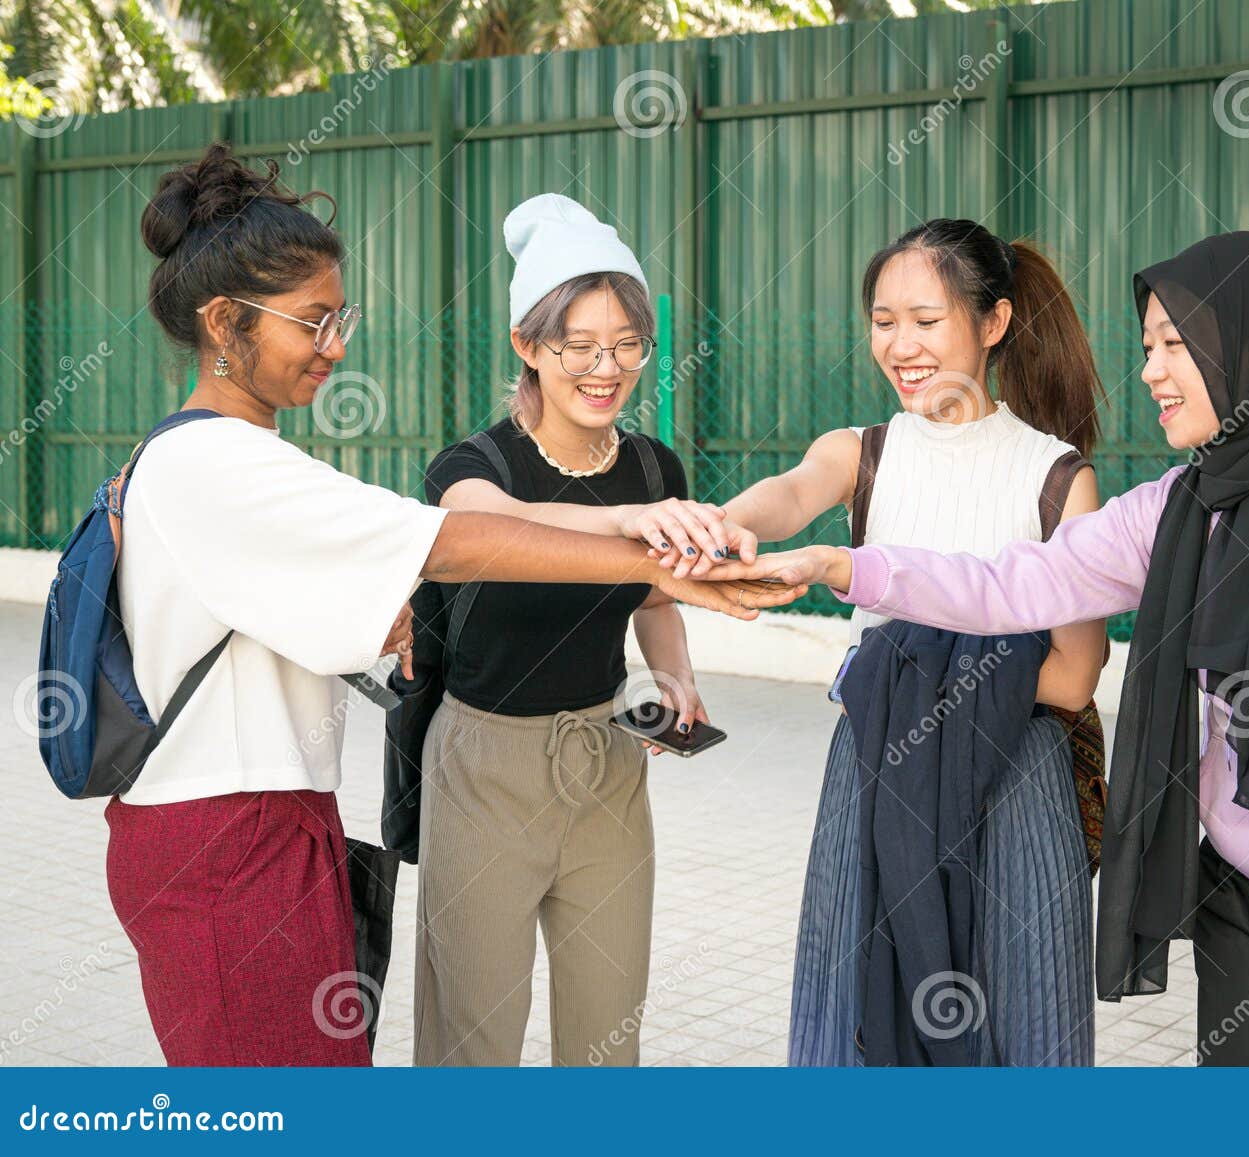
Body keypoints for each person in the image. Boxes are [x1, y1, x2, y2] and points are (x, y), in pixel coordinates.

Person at [726, 231, 1249, 1066]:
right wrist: (844, 564)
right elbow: (1016, 584)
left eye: (1175, 346)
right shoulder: (1180, 508)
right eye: (1148, 345)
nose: (1151, 369)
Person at [107, 144, 800, 1067]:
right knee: (429, 1052)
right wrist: (645, 548)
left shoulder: (243, 460)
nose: (338, 345)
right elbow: (457, 535)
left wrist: (662, 639)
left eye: (627, 344)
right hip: (242, 831)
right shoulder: (222, 463)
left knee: (592, 1038)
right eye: (316, 321)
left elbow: (349, 600)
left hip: (309, 814)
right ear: (227, 322)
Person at [653, 219, 1107, 1065]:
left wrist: (914, 665)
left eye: (927, 321)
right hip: (873, 767)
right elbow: (785, 498)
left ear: (995, 322)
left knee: (1024, 1019)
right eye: (883, 320)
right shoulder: (860, 453)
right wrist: (716, 531)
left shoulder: (1057, 476)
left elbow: (1076, 675)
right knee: (851, 1005)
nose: (901, 345)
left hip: (1013, 780)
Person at [412, 194, 713, 1067]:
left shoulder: (654, 466)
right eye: (577, 345)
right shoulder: (476, 465)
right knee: (473, 1039)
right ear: (527, 346)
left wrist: (674, 674)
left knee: (606, 1038)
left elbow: (654, 597)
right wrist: (637, 524)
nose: (604, 367)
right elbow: (491, 527)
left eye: (627, 344)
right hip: (484, 767)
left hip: (607, 761)